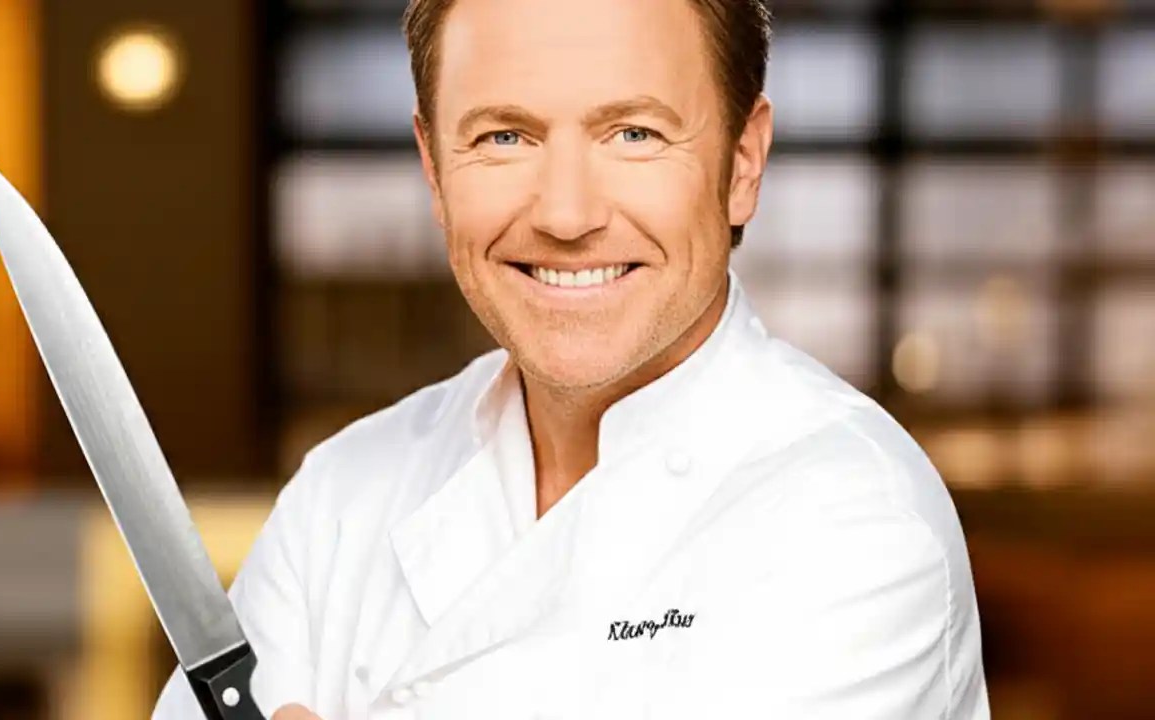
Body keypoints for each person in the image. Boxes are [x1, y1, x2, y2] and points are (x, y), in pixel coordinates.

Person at [154, 0, 990, 717]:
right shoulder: (340, 498)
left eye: (634, 133)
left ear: (743, 160)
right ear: (435, 172)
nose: (565, 212)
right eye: (504, 136)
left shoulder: (858, 524)